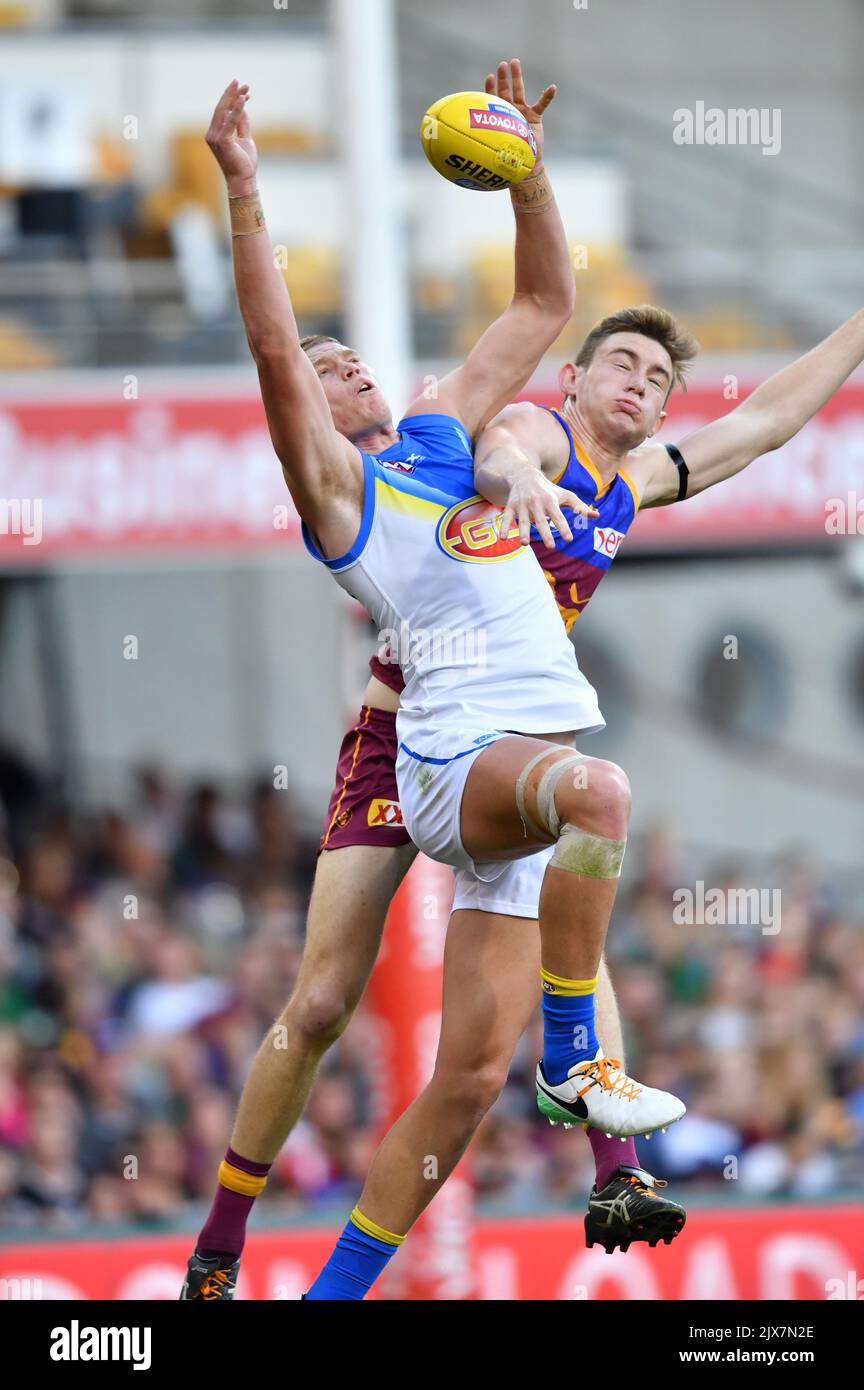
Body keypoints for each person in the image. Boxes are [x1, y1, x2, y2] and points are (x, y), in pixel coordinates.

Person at [182, 65, 686, 1303]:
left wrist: (523, 175)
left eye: (347, 350)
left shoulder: (436, 433)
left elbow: (546, 297)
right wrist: (248, 194)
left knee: (466, 1081)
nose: (341, 359)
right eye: (326, 360)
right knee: (324, 1002)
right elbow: (267, 348)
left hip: (517, 757)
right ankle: (220, 1245)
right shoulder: (340, 496)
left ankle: (333, 1294)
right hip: (442, 744)